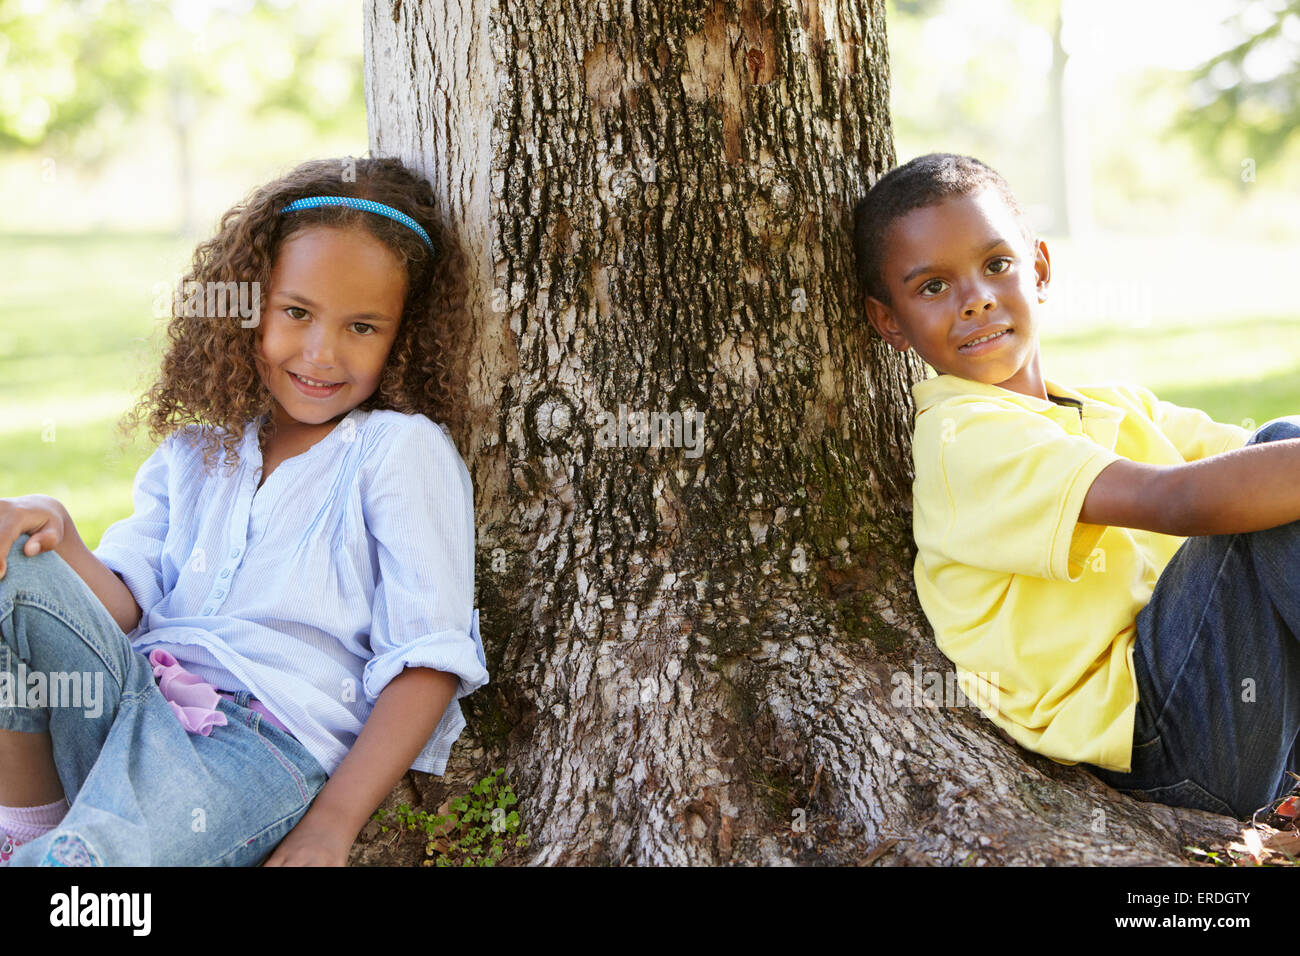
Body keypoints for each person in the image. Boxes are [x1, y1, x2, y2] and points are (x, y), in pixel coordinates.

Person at [0, 156, 488, 865]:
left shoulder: (397, 452)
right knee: (13, 558)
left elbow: (427, 661)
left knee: (82, 873)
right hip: (129, 696)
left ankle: (61, 849)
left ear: (402, 337)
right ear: (247, 305)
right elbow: (128, 606)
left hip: (257, 744)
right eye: (296, 313)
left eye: (362, 327)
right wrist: (59, 534)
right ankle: (23, 828)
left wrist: (332, 823)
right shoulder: (199, 450)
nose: (321, 353)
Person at [852, 152, 1300, 820]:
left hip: (1234, 722)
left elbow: (1259, 462)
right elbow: (1176, 501)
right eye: (932, 287)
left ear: (1038, 270)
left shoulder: (1109, 403)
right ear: (890, 322)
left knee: (1277, 452)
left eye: (996, 265)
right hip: (1165, 749)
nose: (974, 297)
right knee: (1264, 477)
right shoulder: (963, 439)